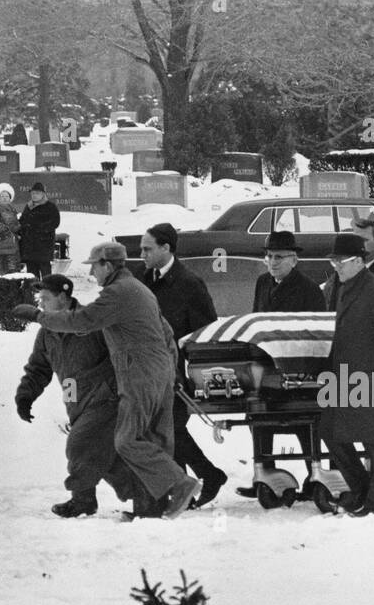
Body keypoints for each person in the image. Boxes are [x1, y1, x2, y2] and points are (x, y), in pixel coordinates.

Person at [12, 243, 200, 520]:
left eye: (94, 266)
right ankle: (150, 505)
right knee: (118, 452)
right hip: (116, 388)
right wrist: (25, 395)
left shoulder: (114, 297)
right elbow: (165, 331)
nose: (91, 273)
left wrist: (38, 316)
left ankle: (177, 484)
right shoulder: (136, 291)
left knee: (112, 443)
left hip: (119, 390)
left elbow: (83, 321)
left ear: (108, 266)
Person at [14, 274, 139, 517]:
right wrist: (25, 396)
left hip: (106, 399)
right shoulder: (47, 333)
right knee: (107, 460)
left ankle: (83, 501)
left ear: (63, 297)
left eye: (46, 298)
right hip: (76, 404)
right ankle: (150, 497)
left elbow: (123, 354)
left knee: (79, 446)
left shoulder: (91, 323)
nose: (41, 304)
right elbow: (38, 368)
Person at [139, 223, 229, 506]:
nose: (142, 254)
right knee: (169, 430)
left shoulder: (190, 284)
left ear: (166, 248)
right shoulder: (146, 279)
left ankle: (197, 481)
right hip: (153, 370)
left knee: (173, 428)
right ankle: (199, 480)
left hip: (179, 373)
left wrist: (190, 373)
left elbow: (206, 332)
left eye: (147, 248)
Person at [236, 230, 327, 498]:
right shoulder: (263, 282)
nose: (272, 261)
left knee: (303, 421)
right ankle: (265, 474)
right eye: (268, 256)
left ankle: (314, 476)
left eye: (278, 256)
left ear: (294, 259)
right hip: (266, 367)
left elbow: (315, 333)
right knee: (259, 415)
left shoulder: (309, 290)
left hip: (298, 369)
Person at [322, 233, 374, 517]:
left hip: (372, 376)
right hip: (343, 375)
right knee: (329, 431)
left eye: (340, 262)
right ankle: (360, 489)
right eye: (333, 262)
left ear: (358, 261)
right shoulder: (337, 285)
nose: (336, 267)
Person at [18, 182, 60, 279]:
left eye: (37, 193)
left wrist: (39, 229)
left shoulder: (50, 207)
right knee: (32, 275)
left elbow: (55, 222)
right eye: (33, 193)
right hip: (29, 247)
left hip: (43, 246)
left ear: (43, 194)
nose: (34, 195)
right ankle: (33, 292)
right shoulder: (28, 207)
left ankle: (47, 292)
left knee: (46, 274)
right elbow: (23, 220)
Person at [0, 184, 21, 275]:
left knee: (12, 265)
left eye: (7, 196)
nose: (5, 198)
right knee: (0, 264)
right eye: (2, 196)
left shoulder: (13, 209)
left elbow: (15, 224)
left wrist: (18, 228)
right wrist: (7, 231)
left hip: (11, 242)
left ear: (10, 198)